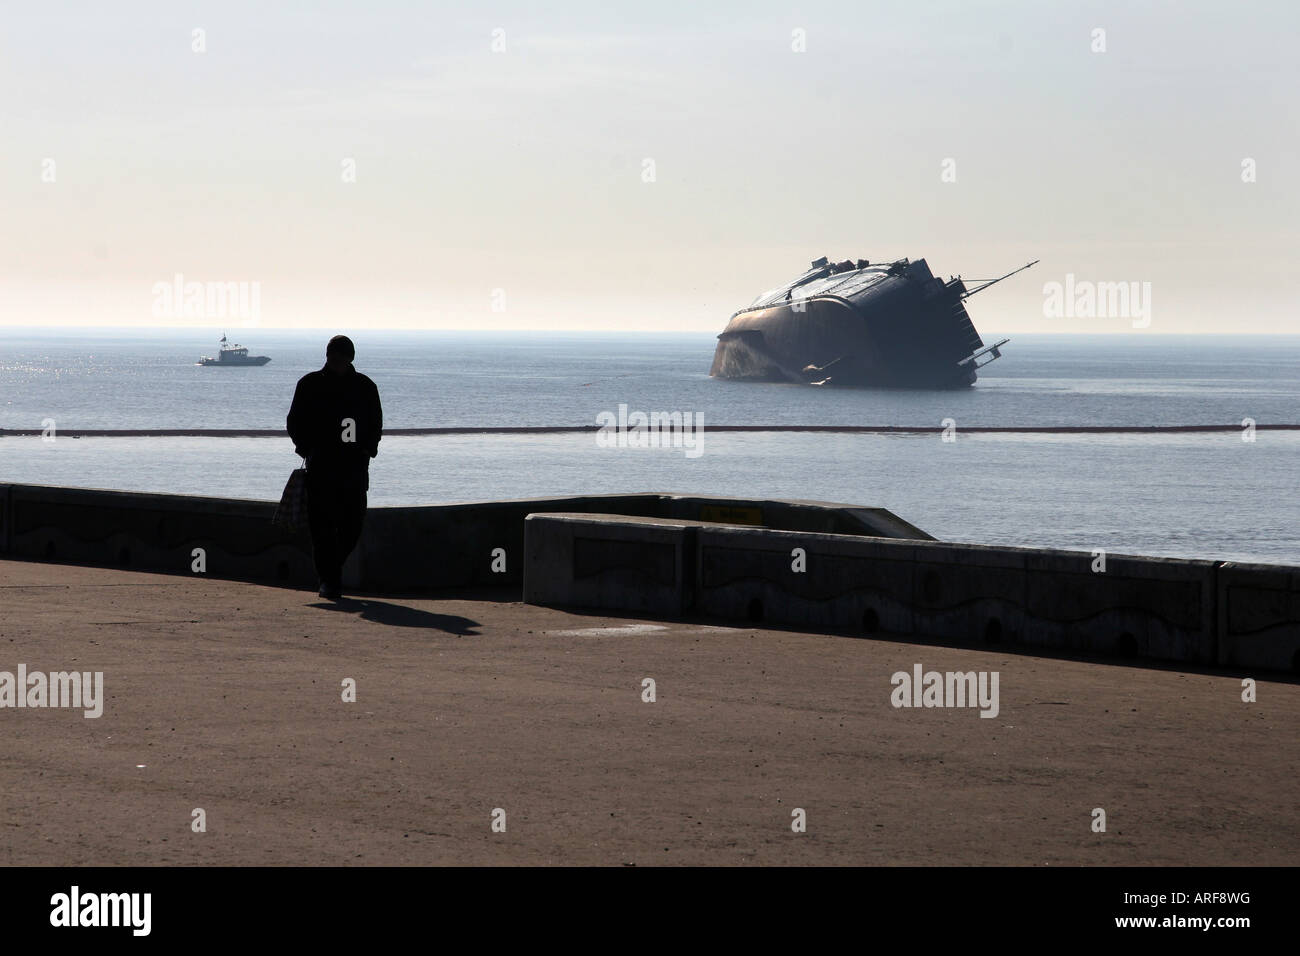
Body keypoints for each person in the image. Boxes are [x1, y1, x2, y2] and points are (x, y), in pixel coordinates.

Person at [286, 335, 383, 600]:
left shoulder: (365, 387)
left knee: (352, 524)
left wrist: (366, 450)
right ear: (327, 356)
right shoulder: (309, 385)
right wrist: (308, 450)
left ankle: (330, 574)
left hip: (353, 468)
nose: (338, 362)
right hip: (322, 468)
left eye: (342, 357)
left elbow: (375, 423)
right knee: (322, 528)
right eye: (334, 357)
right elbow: (294, 421)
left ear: (351, 358)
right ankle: (329, 581)